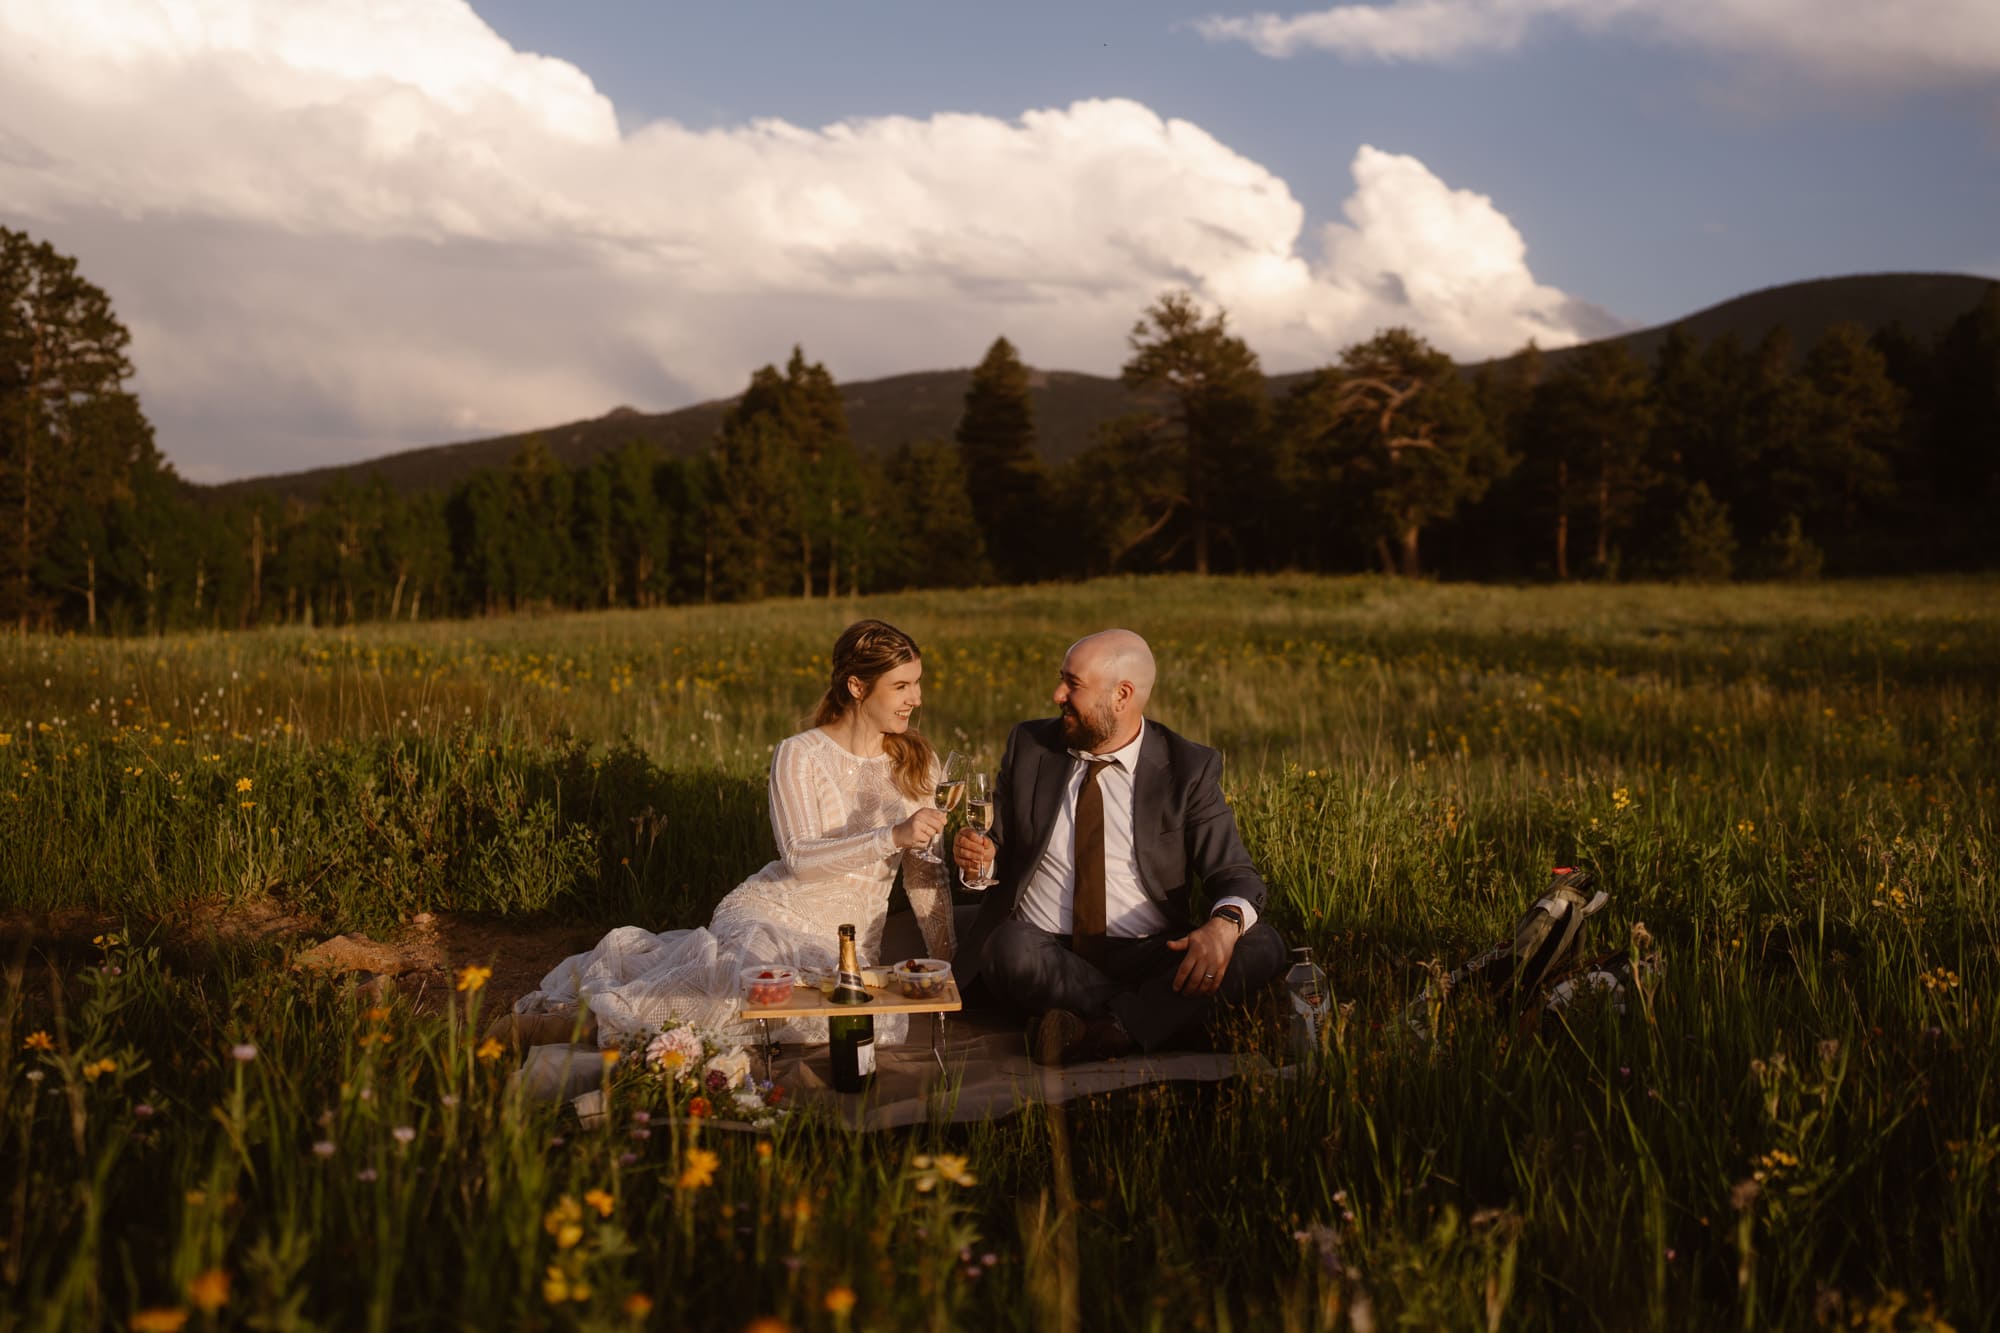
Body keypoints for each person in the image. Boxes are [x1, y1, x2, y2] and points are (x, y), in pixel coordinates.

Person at [508, 619, 956, 1049]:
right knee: (744, 984)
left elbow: (926, 876)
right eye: (901, 686)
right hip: (774, 912)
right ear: (857, 686)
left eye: (917, 683)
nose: (916, 698)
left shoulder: (919, 763)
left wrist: (950, 967)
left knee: (854, 1018)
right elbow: (800, 859)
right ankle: (569, 1028)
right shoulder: (799, 754)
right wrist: (891, 836)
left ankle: (613, 1025)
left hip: (843, 942)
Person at [952, 628, 1287, 1064]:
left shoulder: (1187, 768)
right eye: (1062, 679)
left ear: (1121, 696)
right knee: (1006, 949)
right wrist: (980, 855)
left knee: (1262, 943)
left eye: (1073, 684)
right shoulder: (1031, 746)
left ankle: (1103, 1030)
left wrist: (1223, 927)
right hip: (1048, 948)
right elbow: (994, 839)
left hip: (1152, 951)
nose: (1057, 695)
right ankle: (1167, 1022)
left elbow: (1235, 874)